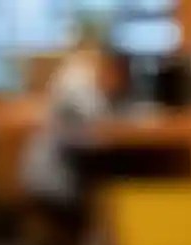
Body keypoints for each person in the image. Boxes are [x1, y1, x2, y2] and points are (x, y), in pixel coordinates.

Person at [20, 22, 122, 204]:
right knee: (111, 189)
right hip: (56, 177)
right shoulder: (77, 77)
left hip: (66, 170)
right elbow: (97, 122)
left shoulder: (83, 77)